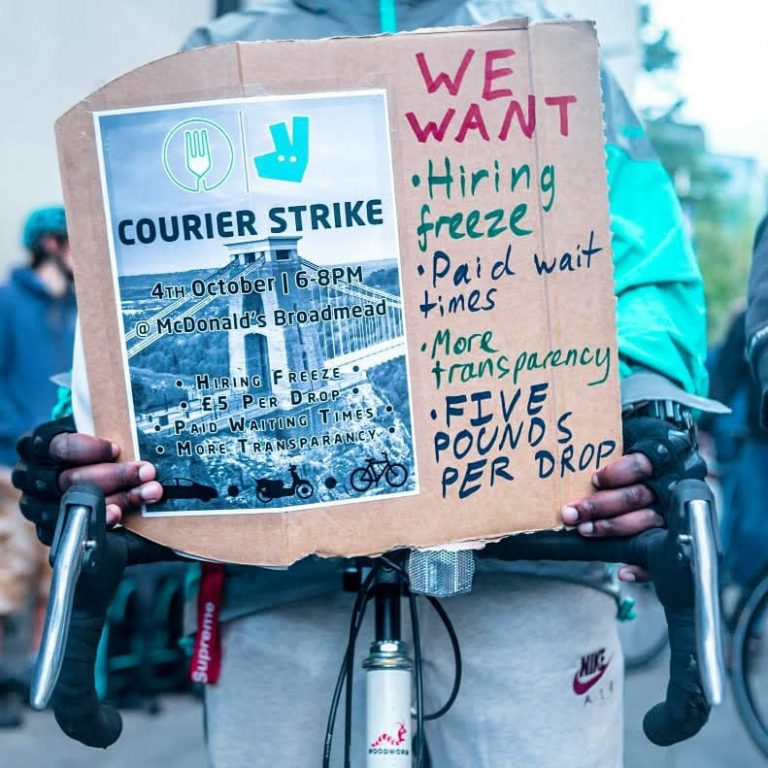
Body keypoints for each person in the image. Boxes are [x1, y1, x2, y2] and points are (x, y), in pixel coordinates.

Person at [13, 3, 711, 765]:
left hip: (535, 542)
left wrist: (644, 409)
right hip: (268, 568)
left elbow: (644, 270)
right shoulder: (218, 52)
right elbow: (113, 320)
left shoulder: (537, 46)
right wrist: (86, 437)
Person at [0, 205, 76, 726]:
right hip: (8, 465)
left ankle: (35, 680)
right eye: (75, 238)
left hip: (61, 469)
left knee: (56, 581)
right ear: (50, 243)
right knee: (8, 582)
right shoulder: (6, 303)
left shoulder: (78, 306)